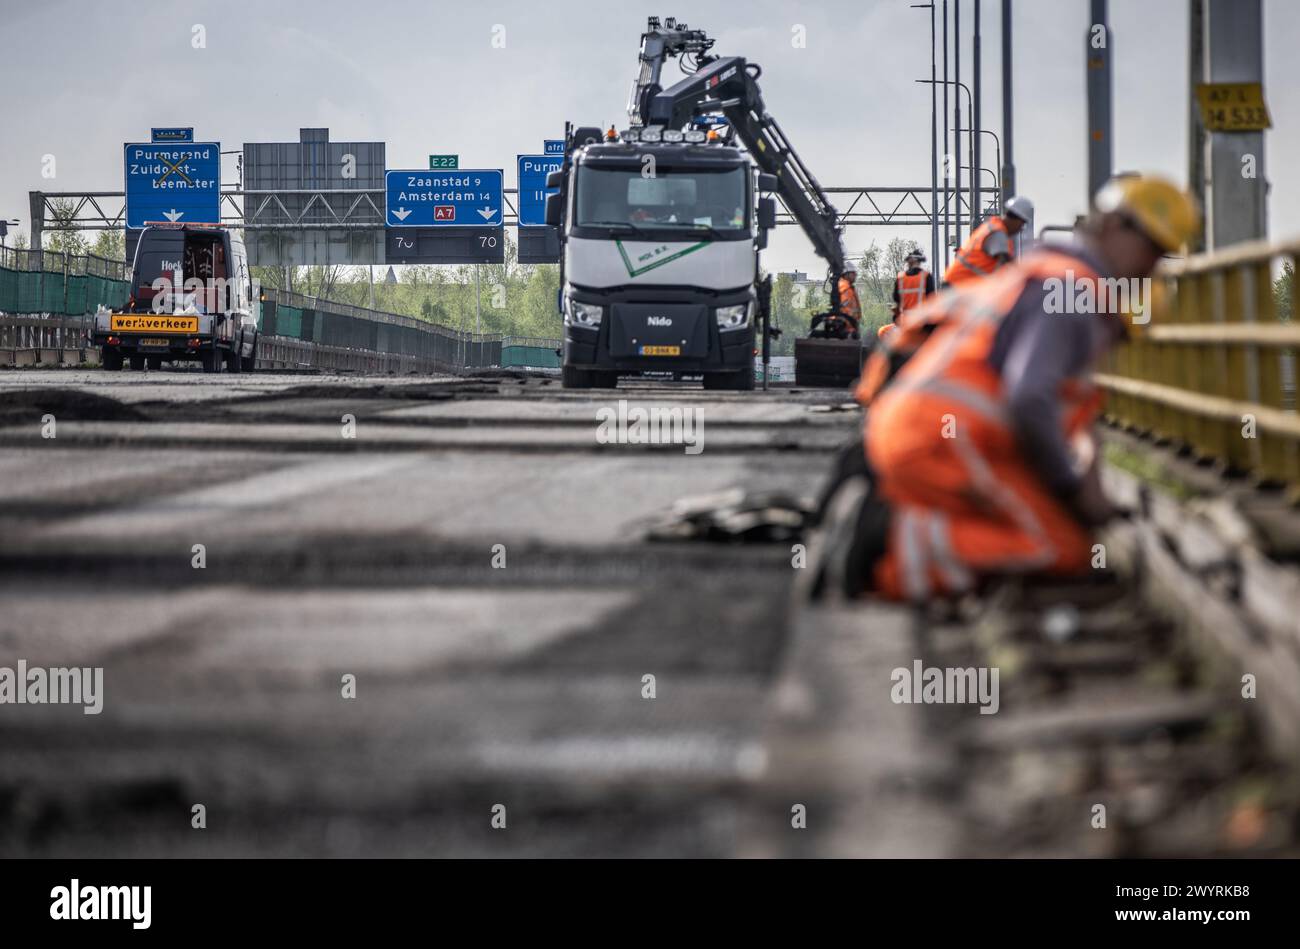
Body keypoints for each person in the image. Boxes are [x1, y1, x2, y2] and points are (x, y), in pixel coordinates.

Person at [837, 175, 1198, 602]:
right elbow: (1030, 397)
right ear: (1115, 226)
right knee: (1058, 547)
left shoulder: (1053, 272)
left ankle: (901, 511)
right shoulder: (1073, 291)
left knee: (1058, 534)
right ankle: (890, 545)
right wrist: (1068, 485)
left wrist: (1084, 484)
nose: (1150, 267)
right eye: (1153, 249)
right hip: (940, 441)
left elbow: (1065, 419)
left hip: (926, 433)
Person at [943, 195, 1033, 286]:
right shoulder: (997, 234)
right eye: (1022, 224)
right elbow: (1005, 263)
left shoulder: (993, 228)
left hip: (963, 284)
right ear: (1017, 220)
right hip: (957, 286)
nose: (1020, 228)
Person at [880, 248, 935, 341]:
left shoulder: (901, 278)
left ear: (912, 261)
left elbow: (896, 299)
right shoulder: (926, 276)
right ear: (919, 261)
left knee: (882, 332)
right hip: (922, 324)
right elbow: (932, 300)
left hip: (904, 324)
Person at [835, 261, 863, 339]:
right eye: (853, 273)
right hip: (846, 329)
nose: (855, 275)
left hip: (850, 327)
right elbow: (845, 310)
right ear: (846, 274)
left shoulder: (849, 288)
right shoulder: (845, 288)